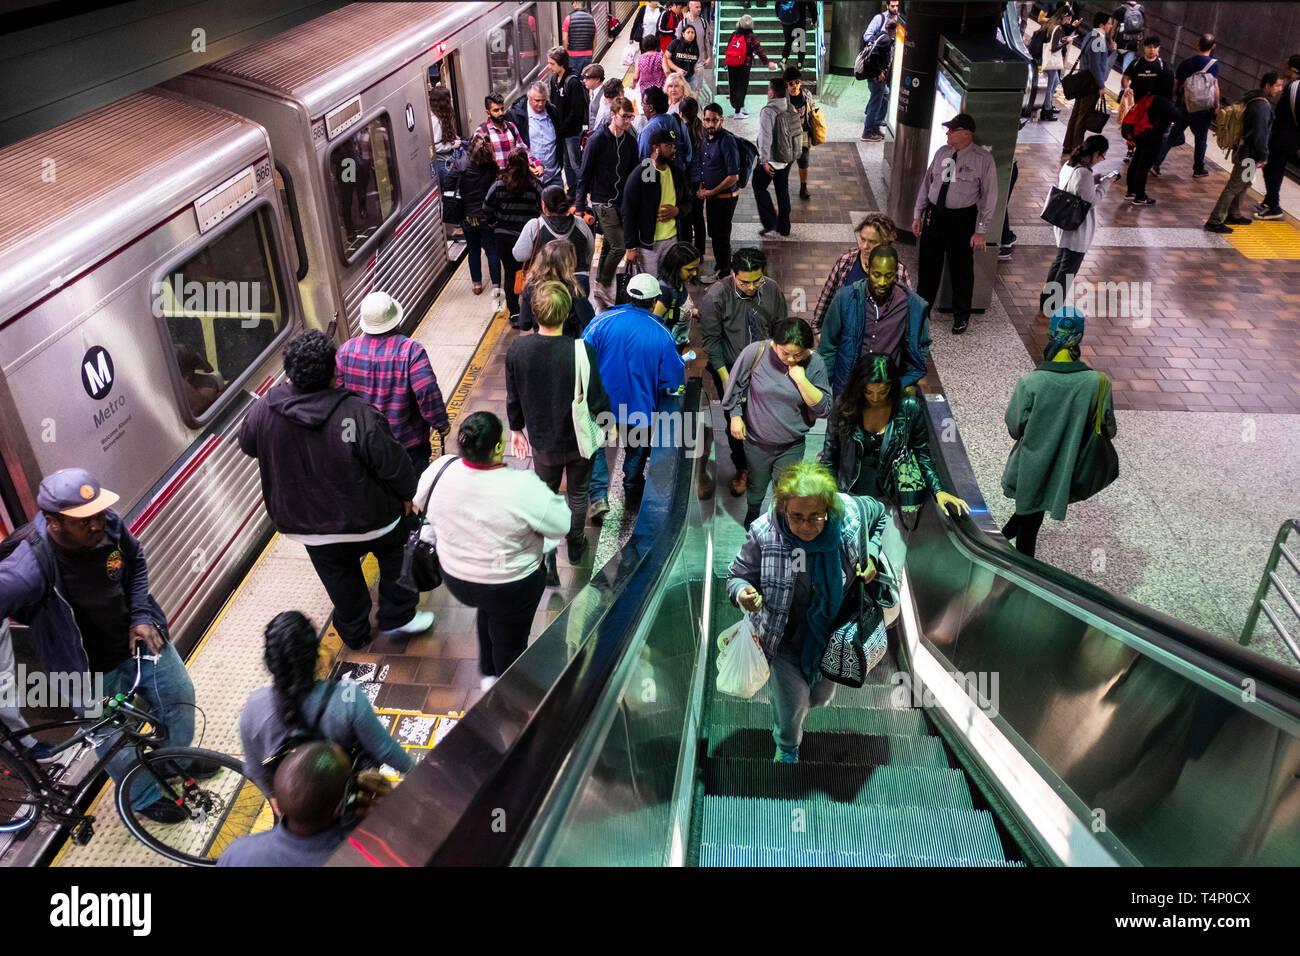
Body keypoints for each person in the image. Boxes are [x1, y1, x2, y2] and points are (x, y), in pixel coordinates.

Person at [0, 468, 197, 822]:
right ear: (53, 522)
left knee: (180, 699)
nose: (97, 525)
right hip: (81, 670)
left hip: (139, 642)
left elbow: (135, 561)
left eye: (98, 514)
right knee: (111, 737)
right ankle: (143, 795)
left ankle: (173, 764)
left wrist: (140, 613)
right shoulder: (28, 568)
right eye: (84, 521)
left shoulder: (107, 524)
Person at [238, 331, 431, 650]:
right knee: (399, 547)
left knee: (337, 572)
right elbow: (392, 464)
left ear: (290, 372)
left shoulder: (266, 409)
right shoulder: (356, 414)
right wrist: (410, 496)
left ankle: (354, 632)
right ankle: (397, 614)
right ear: (334, 371)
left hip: (306, 524)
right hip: (371, 518)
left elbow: (247, 444)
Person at [726, 461, 885, 762]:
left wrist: (873, 553)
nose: (806, 527)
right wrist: (742, 592)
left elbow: (878, 515)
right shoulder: (764, 534)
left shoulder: (848, 516)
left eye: (816, 517)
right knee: (792, 703)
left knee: (820, 698)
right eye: (796, 516)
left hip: (830, 634)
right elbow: (736, 575)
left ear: (829, 507)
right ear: (783, 507)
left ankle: (799, 710)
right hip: (782, 636)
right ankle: (787, 749)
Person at [419, 412, 571, 688]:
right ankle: (505, 686)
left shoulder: (440, 469)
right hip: (509, 584)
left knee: (488, 610)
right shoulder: (522, 487)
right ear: (499, 447)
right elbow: (561, 524)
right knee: (510, 640)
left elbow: (420, 501)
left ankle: (488, 672)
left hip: (456, 576)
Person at [238, 611, 412, 800]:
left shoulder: (253, 708)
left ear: (270, 662)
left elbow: (256, 771)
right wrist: (418, 772)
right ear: (315, 654)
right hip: (348, 801)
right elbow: (385, 750)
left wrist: (276, 801)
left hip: (298, 810)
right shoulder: (347, 696)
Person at [507, 281, 611, 568]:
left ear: (535, 313)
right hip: (579, 441)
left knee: (546, 496)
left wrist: (516, 430)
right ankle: (575, 544)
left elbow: (513, 395)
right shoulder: (581, 349)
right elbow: (598, 398)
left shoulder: (518, 350)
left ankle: (548, 553)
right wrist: (606, 424)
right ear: (567, 314)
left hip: (542, 441)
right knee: (578, 494)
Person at [1001, 307, 1116, 558]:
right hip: (1066, 467)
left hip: (1031, 466)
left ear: (1051, 334)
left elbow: (1014, 427)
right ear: (1080, 337)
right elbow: (1109, 429)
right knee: (1032, 513)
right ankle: (1002, 538)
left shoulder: (1031, 383)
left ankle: (1023, 575)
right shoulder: (1098, 383)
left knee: (1029, 519)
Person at [582, 273, 687, 520]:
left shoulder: (602, 321)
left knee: (597, 446)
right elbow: (673, 381)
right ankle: (632, 489)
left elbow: (582, 355)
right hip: (639, 408)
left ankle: (598, 497)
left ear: (627, 295)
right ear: (655, 301)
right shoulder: (662, 334)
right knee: (636, 449)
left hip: (601, 403)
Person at [820, 354, 970, 521]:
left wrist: (938, 490)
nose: (875, 398)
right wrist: (827, 496)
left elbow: (922, 453)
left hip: (892, 498)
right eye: (868, 392)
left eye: (882, 392)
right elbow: (829, 457)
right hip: (850, 494)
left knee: (890, 545)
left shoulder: (908, 409)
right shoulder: (845, 407)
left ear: (892, 386)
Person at [722, 317, 831, 528]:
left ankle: (780, 525)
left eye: (798, 354)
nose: (791, 360)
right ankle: (753, 513)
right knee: (756, 487)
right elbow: (734, 386)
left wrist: (801, 380)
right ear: (775, 344)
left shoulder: (814, 363)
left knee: (786, 492)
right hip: (756, 442)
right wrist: (735, 415)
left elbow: (824, 408)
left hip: (792, 444)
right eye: (785, 353)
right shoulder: (756, 352)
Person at [700, 247, 789, 496]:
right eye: (744, 282)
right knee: (736, 421)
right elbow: (712, 342)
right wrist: (729, 383)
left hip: (766, 366)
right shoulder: (716, 296)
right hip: (730, 368)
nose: (751, 287)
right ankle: (742, 468)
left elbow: (781, 327)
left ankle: (765, 462)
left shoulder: (771, 289)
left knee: (765, 417)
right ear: (732, 274)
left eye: (756, 281)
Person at [336, 292, 451, 479]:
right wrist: (441, 424)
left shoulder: (345, 352)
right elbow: (427, 392)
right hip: (407, 446)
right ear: (396, 320)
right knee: (413, 499)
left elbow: (339, 398)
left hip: (364, 444)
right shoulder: (411, 351)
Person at [910, 113, 998, 335]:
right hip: (935, 215)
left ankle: (961, 315)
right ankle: (923, 311)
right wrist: (918, 213)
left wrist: (981, 231)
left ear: (966, 133)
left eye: (952, 130)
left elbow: (989, 197)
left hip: (962, 219)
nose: (947, 133)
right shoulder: (943, 153)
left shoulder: (982, 160)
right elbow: (928, 183)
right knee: (928, 266)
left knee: (961, 269)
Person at [818, 244, 930, 395]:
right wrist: (826, 386)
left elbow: (921, 347)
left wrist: (906, 382)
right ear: (867, 268)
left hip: (887, 389)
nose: (882, 282)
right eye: (877, 274)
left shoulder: (912, 306)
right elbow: (828, 345)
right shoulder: (845, 299)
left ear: (895, 272)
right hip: (850, 388)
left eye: (888, 275)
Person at [576, 96, 640, 306]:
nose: (628, 121)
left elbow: (634, 172)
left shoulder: (630, 140)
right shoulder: (597, 140)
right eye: (624, 117)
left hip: (622, 202)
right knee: (619, 246)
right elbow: (584, 174)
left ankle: (600, 287)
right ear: (613, 115)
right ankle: (603, 284)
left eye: (631, 117)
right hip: (601, 201)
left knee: (608, 246)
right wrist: (578, 207)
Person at [1042, 135, 1117, 309]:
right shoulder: (1083, 173)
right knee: (1068, 269)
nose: (1101, 160)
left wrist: (1095, 179)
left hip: (1063, 223)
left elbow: (1075, 187)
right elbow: (1090, 202)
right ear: (1096, 153)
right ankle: (1053, 305)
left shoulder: (1070, 164)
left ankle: (1046, 300)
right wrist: (1105, 184)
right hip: (1076, 229)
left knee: (1060, 262)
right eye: (1102, 156)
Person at [1206, 72, 1286, 234]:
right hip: (1248, 154)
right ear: (1268, 86)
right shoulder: (1261, 106)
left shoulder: (1252, 98)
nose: (1280, 89)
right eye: (1277, 85)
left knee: (1245, 183)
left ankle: (1234, 214)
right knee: (1235, 185)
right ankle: (1214, 220)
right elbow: (1260, 134)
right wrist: (1264, 155)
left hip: (1248, 152)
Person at [811, 212, 912, 333]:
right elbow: (826, 299)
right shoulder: (846, 261)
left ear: (885, 244)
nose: (864, 246)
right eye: (863, 239)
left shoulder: (898, 272)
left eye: (872, 242)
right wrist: (818, 332)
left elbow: (908, 314)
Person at [483, 147, 543, 325]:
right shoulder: (534, 186)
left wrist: (494, 221)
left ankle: (514, 313)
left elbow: (486, 207)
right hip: (528, 237)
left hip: (503, 236)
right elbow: (542, 211)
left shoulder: (499, 184)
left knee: (509, 273)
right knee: (530, 273)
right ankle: (530, 310)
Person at [622, 126, 690, 278]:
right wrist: (630, 247)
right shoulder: (645, 172)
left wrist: (678, 210)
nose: (673, 150)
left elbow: (688, 202)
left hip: (672, 240)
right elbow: (629, 211)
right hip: (648, 245)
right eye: (668, 146)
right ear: (656, 148)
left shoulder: (676, 172)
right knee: (650, 286)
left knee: (670, 283)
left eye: (674, 146)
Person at [1153, 33, 1219, 178]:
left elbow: (1175, 84)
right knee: (1201, 140)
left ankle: (1156, 163)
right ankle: (1198, 169)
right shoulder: (1213, 65)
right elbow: (1215, 87)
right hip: (1202, 109)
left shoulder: (1186, 63)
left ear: (1197, 44)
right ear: (1213, 47)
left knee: (1172, 136)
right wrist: (1216, 105)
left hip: (1184, 106)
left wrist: (1173, 97)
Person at [513, 183, 595, 299]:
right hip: (578, 282)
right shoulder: (580, 223)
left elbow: (520, 255)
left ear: (543, 205)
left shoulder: (534, 225)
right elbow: (590, 251)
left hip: (544, 285)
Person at [450, 133, 502, 296]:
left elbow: (448, 183)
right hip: (487, 217)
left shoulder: (461, 165)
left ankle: (477, 285)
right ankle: (496, 287)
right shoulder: (492, 167)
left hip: (467, 216)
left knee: (473, 250)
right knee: (491, 251)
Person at [697, 102, 742, 281]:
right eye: (707, 120)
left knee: (721, 235)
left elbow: (733, 176)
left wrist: (710, 192)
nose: (710, 124)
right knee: (715, 233)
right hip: (713, 197)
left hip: (724, 197)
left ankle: (723, 273)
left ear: (721, 120)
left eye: (714, 120)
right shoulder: (705, 139)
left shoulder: (727, 141)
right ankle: (722, 267)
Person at [1062, 13, 1114, 157]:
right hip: (1091, 83)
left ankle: (1068, 144)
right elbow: (1096, 65)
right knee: (1083, 116)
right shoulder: (1099, 39)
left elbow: (1093, 57)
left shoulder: (1090, 35)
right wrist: (1101, 85)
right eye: (1109, 24)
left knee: (1076, 113)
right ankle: (1077, 148)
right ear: (1102, 25)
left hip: (1083, 80)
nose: (1111, 26)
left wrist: (1109, 51)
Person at [517, 240, 594, 337]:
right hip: (568, 345)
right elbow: (590, 322)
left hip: (541, 342)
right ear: (567, 264)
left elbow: (524, 324)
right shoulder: (574, 289)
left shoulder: (531, 287)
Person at [1256, 54, 1300, 221]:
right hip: (1285, 136)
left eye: (1287, 65)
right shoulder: (1293, 85)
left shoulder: (1295, 87)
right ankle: (1270, 200)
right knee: (1275, 169)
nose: (1284, 67)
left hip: (1285, 138)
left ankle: (1274, 206)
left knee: (1272, 169)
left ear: (1293, 69)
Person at [1124, 65, 1175, 206]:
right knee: (1144, 166)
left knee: (1136, 161)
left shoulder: (1149, 96)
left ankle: (1131, 191)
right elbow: (1178, 117)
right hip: (1153, 137)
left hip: (1141, 134)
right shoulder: (1165, 102)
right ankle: (1140, 196)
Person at [754, 77, 797, 238]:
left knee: (758, 185)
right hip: (787, 158)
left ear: (772, 93)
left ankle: (770, 221)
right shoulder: (791, 108)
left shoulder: (768, 111)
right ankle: (784, 228)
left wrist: (764, 161)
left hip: (771, 160)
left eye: (768, 90)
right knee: (782, 191)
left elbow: (766, 138)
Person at [547, 48, 588, 197]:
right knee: (566, 163)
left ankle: (582, 191)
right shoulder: (553, 80)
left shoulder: (573, 82)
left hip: (571, 132)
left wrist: (562, 127)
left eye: (552, 64)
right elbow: (552, 104)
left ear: (561, 63)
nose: (549, 67)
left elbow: (576, 111)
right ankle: (572, 189)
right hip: (561, 132)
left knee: (575, 163)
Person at [508, 81, 564, 189]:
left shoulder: (553, 112)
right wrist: (527, 167)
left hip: (553, 175)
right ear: (529, 97)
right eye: (537, 100)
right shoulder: (516, 116)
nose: (541, 104)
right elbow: (515, 147)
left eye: (544, 100)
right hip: (529, 177)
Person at [724, 14, 778, 118]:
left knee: (733, 86)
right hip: (744, 64)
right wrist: (767, 62)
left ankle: (740, 106)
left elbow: (729, 47)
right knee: (741, 87)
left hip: (731, 64)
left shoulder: (734, 34)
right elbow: (759, 51)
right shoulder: (751, 37)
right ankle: (737, 112)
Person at [653, 241, 701, 346]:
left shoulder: (678, 283)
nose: (694, 273)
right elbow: (653, 325)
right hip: (667, 349)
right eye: (690, 269)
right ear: (675, 267)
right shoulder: (665, 292)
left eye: (696, 268)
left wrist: (695, 312)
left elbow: (677, 310)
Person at [638, 86, 692, 177]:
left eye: (642, 103)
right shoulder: (677, 121)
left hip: (658, 181)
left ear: (650, 107)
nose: (642, 106)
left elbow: (644, 161)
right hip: (679, 177)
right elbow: (688, 150)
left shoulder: (647, 131)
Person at [859, 20, 897, 142]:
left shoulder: (881, 35)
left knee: (885, 96)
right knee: (875, 104)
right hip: (876, 78)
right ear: (894, 30)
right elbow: (874, 55)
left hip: (874, 76)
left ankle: (875, 126)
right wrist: (879, 71)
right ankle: (867, 131)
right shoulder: (885, 40)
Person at [677, 97, 707, 252]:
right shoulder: (702, 128)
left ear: (681, 113)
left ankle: (688, 251)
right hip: (698, 180)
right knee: (698, 217)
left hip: (686, 181)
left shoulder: (683, 131)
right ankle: (700, 251)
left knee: (685, 219)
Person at [1036, 6, 1074, 121]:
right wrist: (1065, 42)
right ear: (1064, 16)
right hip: (1052, 61)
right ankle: (1046, 110)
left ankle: (1048, 105)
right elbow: (1053, 48)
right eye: (1069, 19)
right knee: (1050, 86)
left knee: (1055, 81)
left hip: (1047, 59)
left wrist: (1061, 40)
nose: (1069, 21)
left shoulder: (1051, 23)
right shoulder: (1058, 28)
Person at [475, 92, 528, 170]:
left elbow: (523, 149)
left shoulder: (511, 127)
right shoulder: (481, 131)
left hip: (513, 178)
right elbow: (478, 161)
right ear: (488, 113)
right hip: (494, 179)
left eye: (502, 109)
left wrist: (536, 163)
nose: (501, 113)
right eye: (496, 110)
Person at [784, 67, 814, 201]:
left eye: (797, 82)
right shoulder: (783, 98)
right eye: (791, 83)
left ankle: (803, 187)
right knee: (787, 162)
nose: (794, 86)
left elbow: (811, 109)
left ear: (800, 83)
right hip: (788, 136)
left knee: (804, 162)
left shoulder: (806, 95)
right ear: (786, 85)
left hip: (803, 134)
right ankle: (782, 186)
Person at [428, 85, 462, 193]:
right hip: (442, 164)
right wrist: (453, 145)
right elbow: (435, 146)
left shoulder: (439, 117)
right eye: (449, 98)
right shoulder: (436, 121)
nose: (451, 100)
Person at [675, 0, 712, 92]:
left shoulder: (704, 23)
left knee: (698, 88)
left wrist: (709, 56)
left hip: (699, 61)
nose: (699, 9)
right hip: (685, 62)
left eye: (700, 7)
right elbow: (677, 42)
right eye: (697, 7)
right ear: (690, 8)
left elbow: (707, 40)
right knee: (685, 89)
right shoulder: (682, 24)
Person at [562, 0, 598, 74]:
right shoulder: (592, 19)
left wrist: (566, 55)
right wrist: (591, 53)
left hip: (572, 56)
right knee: (586, 79)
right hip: (587, 55)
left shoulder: (568, 19)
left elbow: (564, 39)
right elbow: (594, 40)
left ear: (575, 3)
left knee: (574, 79)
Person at [775, 1, 813, 68]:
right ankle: (800, 63)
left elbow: (777, 4)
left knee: (788, 42)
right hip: (800, 21)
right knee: (801, 43)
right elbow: (811, 4)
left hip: (787, 22)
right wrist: (814, 18)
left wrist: (779, 16)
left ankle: (784, 59)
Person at [1112, 1, 1145, 74]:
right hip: (1133, 43)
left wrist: (1111, 39)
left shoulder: (1120, 9)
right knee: (1126, 70)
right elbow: (1141, 26)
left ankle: (1100, 83)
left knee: (1107, 65)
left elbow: (1114, 27)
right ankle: (1124, 85)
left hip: (1118, 43)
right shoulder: (1141, 9)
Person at [582, 64, 608, 131]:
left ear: (597, 79)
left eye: (587, 78)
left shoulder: (605, 95)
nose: (584, 80)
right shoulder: (592, 92)